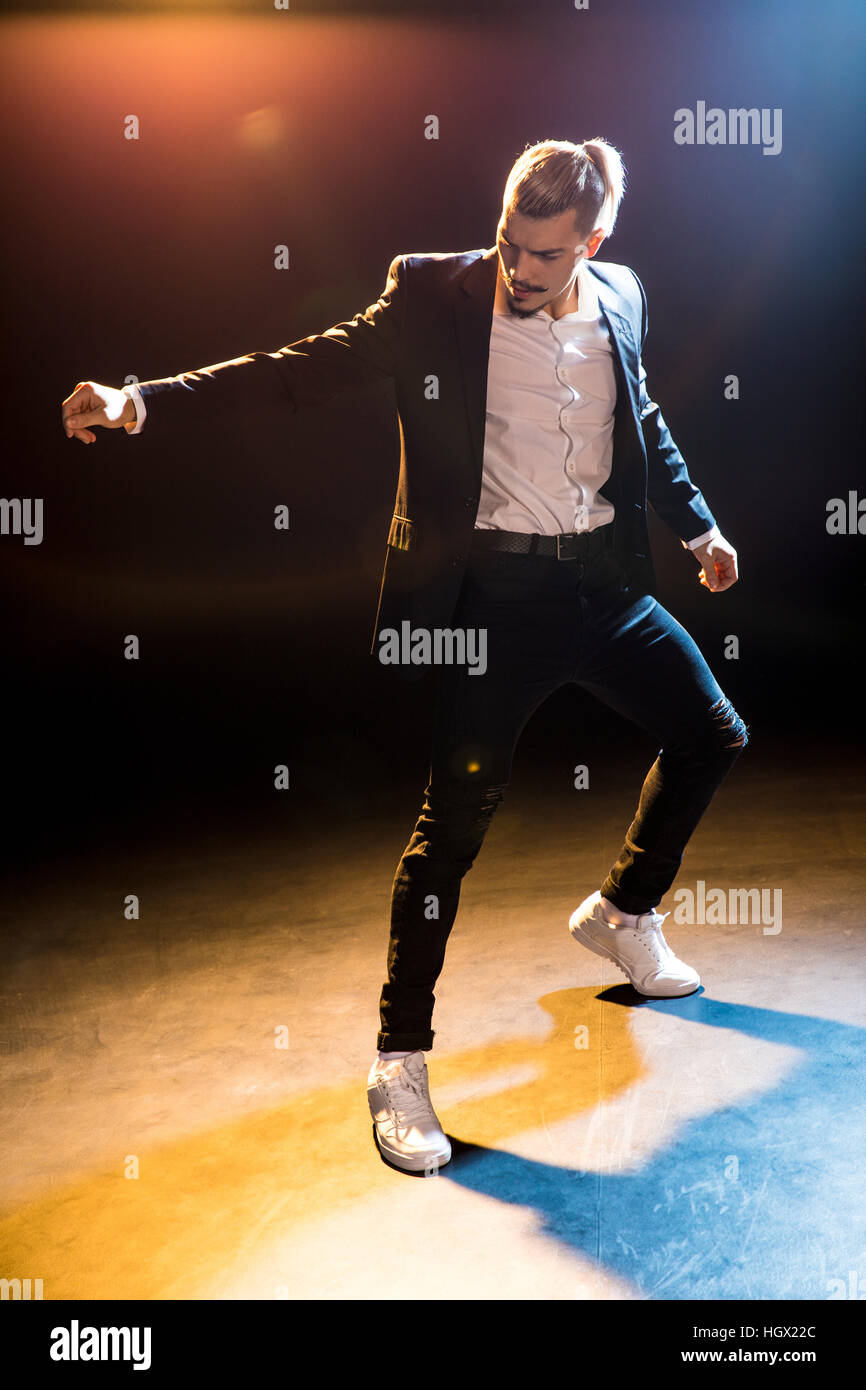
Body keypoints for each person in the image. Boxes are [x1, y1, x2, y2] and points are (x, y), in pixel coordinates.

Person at [61, 137, 748, 1176]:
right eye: (509, 245)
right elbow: (304, 369)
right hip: (491, 608)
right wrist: (143, 397)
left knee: (709, 732)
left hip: (602, 590)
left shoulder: (621, 296)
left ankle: (621, 914)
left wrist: (696, 530)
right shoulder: (431, 294)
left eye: (545, 257)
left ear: (593, 243)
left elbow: (638, 412)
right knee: (451, 834)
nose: (520, 271)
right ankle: (398, 1059)